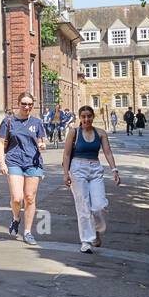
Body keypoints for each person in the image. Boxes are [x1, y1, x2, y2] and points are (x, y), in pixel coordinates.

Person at [62, 105, 121, 253]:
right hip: (77, 168)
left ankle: (96, 231)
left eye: (89, 116)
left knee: (99, 205)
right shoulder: (73, 133)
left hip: (95, 169)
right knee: (83, 206)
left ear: (93, 117)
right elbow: (67, 155)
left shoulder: (100, 133)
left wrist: (114, 170)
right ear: (80, 118)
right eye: (83, 117)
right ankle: (86, 241)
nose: (86, 119)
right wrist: (65, 173)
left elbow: (107, 152)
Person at [0, 94, 47, 246]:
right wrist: (2, 163)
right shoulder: (9, 121)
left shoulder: (37, 122)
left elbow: (40, 140)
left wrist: (42, 145)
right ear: (18, 104)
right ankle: (16, 217)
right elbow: (0, 143)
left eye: (30, 104)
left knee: (30, 198)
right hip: (14, 161)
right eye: (24, 104)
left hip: (33, 162)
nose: (27, 107)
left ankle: (27, 232)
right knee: (17, 198)